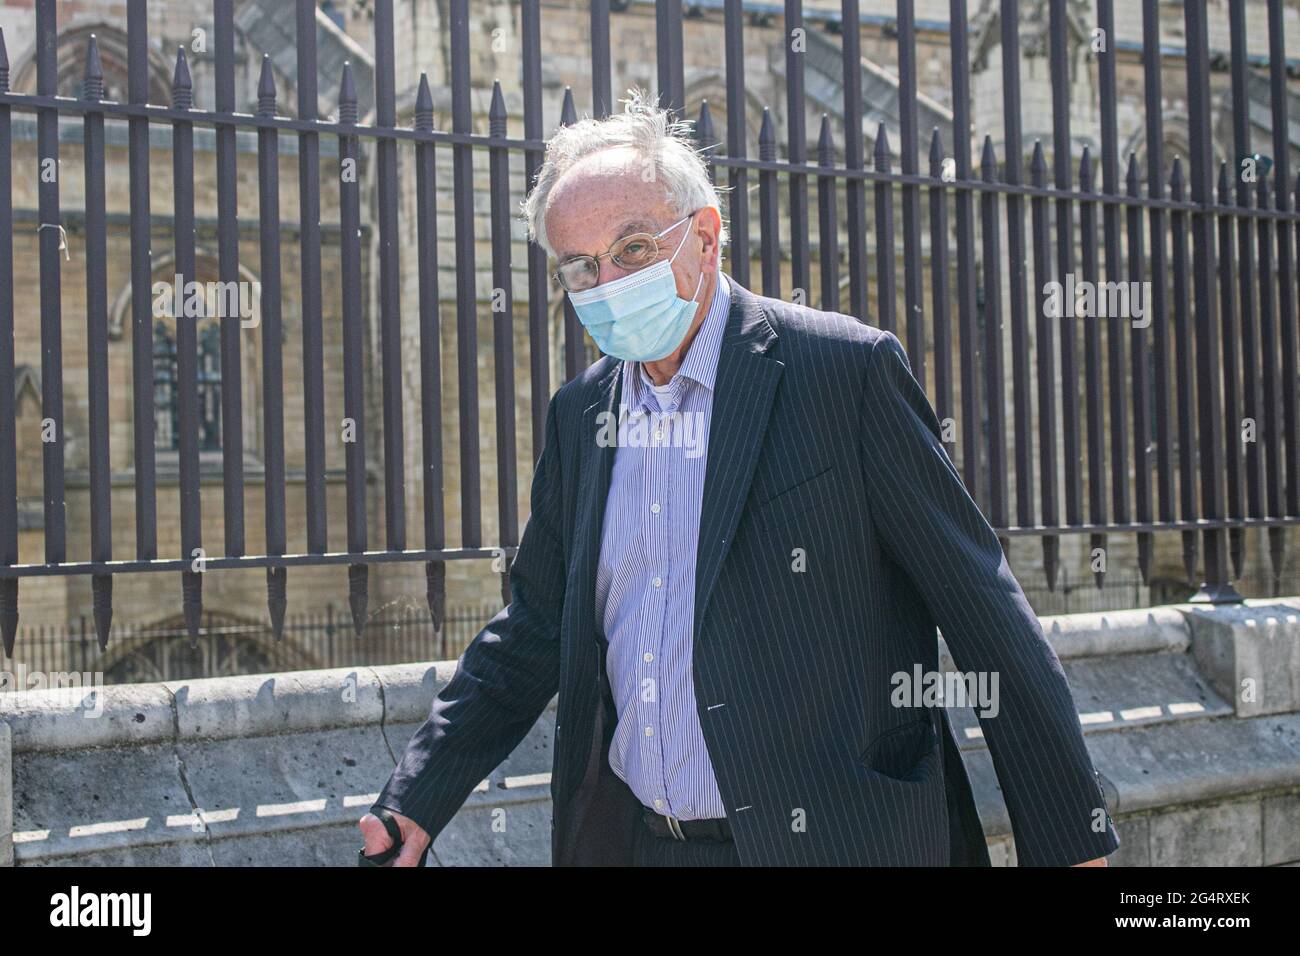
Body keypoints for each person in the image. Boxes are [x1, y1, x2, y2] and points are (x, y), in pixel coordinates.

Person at [359, 90, 1117, 867]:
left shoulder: (842, 372)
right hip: (645, 846)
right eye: (580, 267)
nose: (607, 282)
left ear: (706, 237)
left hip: (840, 844)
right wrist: (419, 796)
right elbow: (534, 629)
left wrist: (1072, 841)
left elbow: (983, 608)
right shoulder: (581, 414)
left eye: (632, 249)